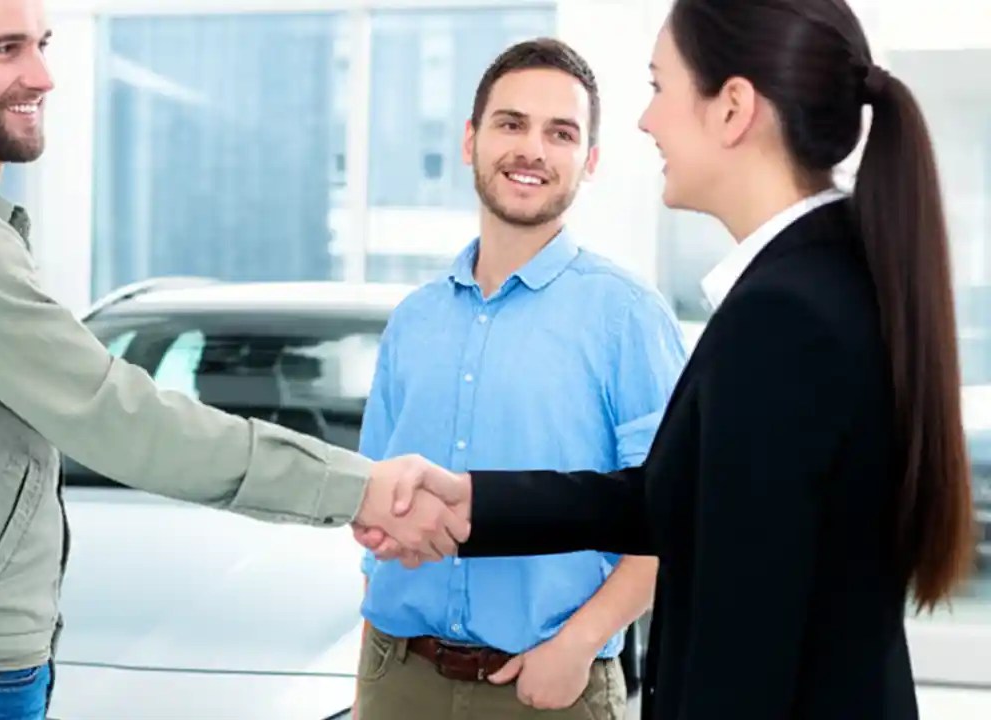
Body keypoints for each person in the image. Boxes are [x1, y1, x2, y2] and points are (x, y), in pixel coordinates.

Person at [0, 1, 465, 717]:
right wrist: (360, 488)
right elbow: (119, 416)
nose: (43, 75)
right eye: (6, 50)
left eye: (43, 44)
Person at [366, 1, 978, 718]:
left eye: (659, 87)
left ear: (732, 109)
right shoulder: (810, 287)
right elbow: (676, 502)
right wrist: (480, 499)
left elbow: (745, 633)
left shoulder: (786, 318)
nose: (645, 122)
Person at [353, 38, 685, 720]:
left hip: (548, 690)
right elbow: (376, 511)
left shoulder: (628, 318)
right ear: (471, 140)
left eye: (559, 133)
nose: (532, 150)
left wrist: (581, 644)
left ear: (588, 161)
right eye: (511, 124)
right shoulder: (412, 321)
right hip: (396, 675)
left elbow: (677, 514)